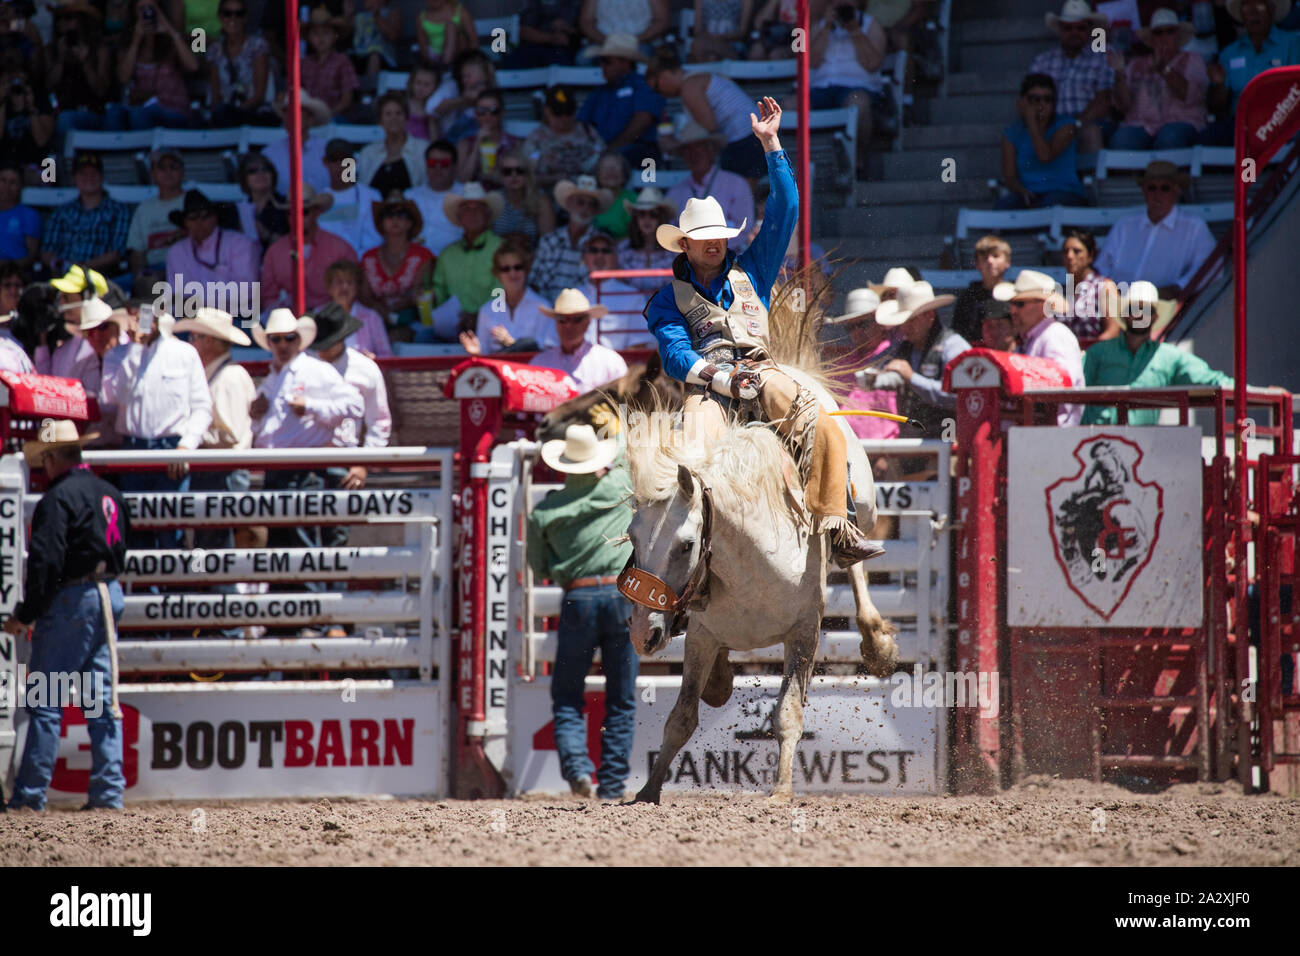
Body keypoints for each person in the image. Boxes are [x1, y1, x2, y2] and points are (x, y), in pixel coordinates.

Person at [643, 95, 880, 567]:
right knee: (690, 455)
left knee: (819, 422)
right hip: (709, 389)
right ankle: (676, 562)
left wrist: (772, 145)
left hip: (763, 371)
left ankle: (838, 524)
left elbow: (786, 209)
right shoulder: (667, 299)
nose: (714, 243)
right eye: (704, 238)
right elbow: (674, 354)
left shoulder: (753, 269)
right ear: (685, 244)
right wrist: (721, 379)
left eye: (720, 236)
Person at [4, 420, 129, 812]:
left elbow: (45, 563)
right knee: (101, 700)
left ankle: (30, 795)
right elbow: (122, 550)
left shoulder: (57, 500)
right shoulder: (109, 493)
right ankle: (108, 793)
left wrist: (26, 614)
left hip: (73, 601)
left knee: (46, 700)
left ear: (54, 458)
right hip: (108, 593)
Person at [526, 424, 638, 801]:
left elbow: (539, 570)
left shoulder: (545, 512)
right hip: (623, 597)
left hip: (578, 599)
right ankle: (611, 786)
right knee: (621, 696)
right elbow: (627, 444)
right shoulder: (620, 484)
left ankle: (576, 769)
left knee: (568, 694)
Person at [250, 309, 363, 556]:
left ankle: (309, 591)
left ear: (299, 340)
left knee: (301, 546)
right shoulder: (273, 377)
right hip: (279, 471)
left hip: (303, 470)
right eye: (276, 339)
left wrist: (311, 406)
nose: (283, 345)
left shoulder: (314, 370)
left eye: (289, 338)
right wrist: (255, 416)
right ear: (268, 342)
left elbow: (355, 404)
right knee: (282, 547)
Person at [100, 304, 213, 549]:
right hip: (133, 449)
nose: (145, 322)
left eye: (150, 315)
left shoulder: (185, 353)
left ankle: (173, 587)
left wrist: (186, 446)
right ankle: (145, 588)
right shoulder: (117, 356)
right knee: (136, 530)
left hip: (171, 449)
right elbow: (112, 398)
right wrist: (135, 350)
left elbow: (202, 406)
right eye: (139, 316)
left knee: (172, 529)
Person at [1082, 280, 1234, 425]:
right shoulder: (1097, 353)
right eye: (1134, 308)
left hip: (1143, 446)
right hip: (1097, 442)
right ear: (1124, 314)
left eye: (1146, 310)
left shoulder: (1169, 357)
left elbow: (1209, 378)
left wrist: (1242, 390)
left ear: (1155, 317)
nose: (1139, 314)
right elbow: (1074, 385)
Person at [171, 307, 255, 555]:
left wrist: (188, 436)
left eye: (195, 336)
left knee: (216, 545)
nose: (191, 342)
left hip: (224, 474)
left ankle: (222, 591)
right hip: (218, 472)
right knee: (209, 542)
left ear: (210, 340)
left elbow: (230, 436)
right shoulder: (219, 375)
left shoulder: (229, 377)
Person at [1092, 160, 1216, 299]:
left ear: (1177, 190)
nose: (1157, 194)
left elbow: (1209, 266)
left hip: (1162, 306)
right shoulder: (1125, 225)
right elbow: (1102, 267)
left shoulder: (1194, 227)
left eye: (1165, 188)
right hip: (1117, 302)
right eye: (1152, 188)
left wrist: (1177, 288)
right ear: (1143, 191)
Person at [873, 281, 968, 446]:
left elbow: (959, 397)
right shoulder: (905, 348)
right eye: (903, 322)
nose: (904, 328)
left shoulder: (953, 346)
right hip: (912, 442)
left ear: (929, 316)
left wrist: (912, 378)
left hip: (948, 441)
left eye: (911, 320)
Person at [647, 50, 767, 179]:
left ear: (665, 74)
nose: (658, 93)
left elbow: (709, 127)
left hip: (745, 137)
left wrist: (676, 143)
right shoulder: (695, 79)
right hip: (750, 135)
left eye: (656, 86)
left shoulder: (689, 86)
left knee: (742, 192)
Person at [1107, 8, 1208, 151]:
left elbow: (1191, 96)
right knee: (1120, 141)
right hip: (1140, 126)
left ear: (1177, 35)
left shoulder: (1193, 59)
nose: (1164, 36)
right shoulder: (1136, 64)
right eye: (1158, 32)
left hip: (1180, 122)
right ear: (1152, 37)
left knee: (1169, 139)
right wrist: (1118, 75)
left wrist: (1163, 69)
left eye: (1169, 31)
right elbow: (1123, 106)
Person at [810, 1, 890, 180]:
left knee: (858, 104)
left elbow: (873, 64)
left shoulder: (871, 24)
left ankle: (857, 162)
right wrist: (826, 28)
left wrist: (854, 31)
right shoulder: (819, 26)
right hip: (821, 88)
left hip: (856, 87)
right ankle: (799, 168)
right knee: (789, 106)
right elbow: (810, 62)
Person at [1201, 0, 1300, 145]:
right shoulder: (1229, 53)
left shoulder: (1293, 43)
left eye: (1260, 5)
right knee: (1208, 137)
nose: (1253, 13)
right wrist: (1219, 85)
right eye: (1247, 7)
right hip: (1240, 125)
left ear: (1272, 9)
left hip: (1283, 121)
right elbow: (1219, 109)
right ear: (1241, 14)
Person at [993, 268, 1083, 425]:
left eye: (1019, 304)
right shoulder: (1035, 337)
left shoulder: (1055, 336)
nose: (1012, 311)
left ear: (1043, 305)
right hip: (1037, 433)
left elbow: (1061, 386)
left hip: (1050, 436)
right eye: (1012, 304)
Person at [1029, 1, 1114, 153]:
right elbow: (1030, 98)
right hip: (1052, 124)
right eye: (1068, 28)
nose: (1074, 32)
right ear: (1060, 29)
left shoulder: (1103, 55)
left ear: (1089, 30)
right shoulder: (1042, 61)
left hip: (1089, 123)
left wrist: (1074, 124)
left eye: (1080, 28)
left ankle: (1091, 176)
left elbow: (1104, 101)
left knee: (1091, 132)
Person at [261, 186, 358, 313]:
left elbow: (352, 293)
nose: (296, 218)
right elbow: (269, 297)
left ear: (317, 212)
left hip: (332, 322)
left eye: (304, 212)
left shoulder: (340, 249)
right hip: (289, 324)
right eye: (290, 213)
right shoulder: (274, 253)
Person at [821, 287, 900, 443]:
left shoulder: (892, 357)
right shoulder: (843, 364)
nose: (856, 332)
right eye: (850, 327)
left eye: (863, 324)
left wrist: (885, 454)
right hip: (847, 447)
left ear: (878, 322)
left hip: (884, 449)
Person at [424, 183, 503, 341]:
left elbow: (501, 292)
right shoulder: (447, 255)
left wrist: (481, 317)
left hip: (494, 329)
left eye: (478, 208)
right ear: (459, 217)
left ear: (487, 215)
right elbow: (440, 295)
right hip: (452, 330)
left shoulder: (502, 249)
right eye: (467, 208)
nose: (472, 214)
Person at [997, 73, 1087, 209]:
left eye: (1047, 99)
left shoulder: (1067, 126)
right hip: (1029, 193)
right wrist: (1023, 191)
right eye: (1034, 99)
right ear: (1022, 102)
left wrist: (1032, 123)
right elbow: (1009, 177)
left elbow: (1045, 156)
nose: (1042, 105)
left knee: (1047, 207)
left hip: (1063, 192)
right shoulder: (1012, 133)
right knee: (1003, 207)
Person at [577, 34, 666, 168]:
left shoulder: (644, 85)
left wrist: (610, 151)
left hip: (642, 153)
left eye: (607, 61)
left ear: (625, 62)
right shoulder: (599, 92)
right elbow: (581, 123)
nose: (602, 66)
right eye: (601, 61)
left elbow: (642, 122)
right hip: (605, 151)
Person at [664, 121, 757, 251]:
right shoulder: (675, 192)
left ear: (711, 150)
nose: (693, 154)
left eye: (698, 147)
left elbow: (744, 230)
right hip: (688, 261)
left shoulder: (737, 184)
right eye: (687, 149)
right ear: (683, 156)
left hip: (729, 258)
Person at [40, 153, 131, 281]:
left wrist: (80, 269)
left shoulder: (118, 210)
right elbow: (47, 252)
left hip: (101, 278)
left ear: (102, 176)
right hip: (62, 277)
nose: (89, 177)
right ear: (74, 178)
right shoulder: (61, 212)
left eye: (93, 173)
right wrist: (61, 266)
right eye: (83, 173)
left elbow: (116, 254)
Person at [112, 0, 197, 130]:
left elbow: (193, 66)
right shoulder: (128, 43)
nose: (147, 13)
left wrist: (170, 30)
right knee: (114, 113)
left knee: (138, 114)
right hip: (141, 107)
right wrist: (136, 39)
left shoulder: (171, 41)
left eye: (150, 8)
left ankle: (145, 149)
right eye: (142, 9)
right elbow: (123, 78)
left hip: (173, 110)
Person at [460, 239, 553, 355]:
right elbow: (484, 354)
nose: (512, 273)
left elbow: (546, 352)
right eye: (505, 269)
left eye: (518, 267)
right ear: (497, 274)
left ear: (526, 270)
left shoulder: (543, 308)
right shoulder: (487, 310)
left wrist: (512, 344)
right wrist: (476, 353)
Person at [530, 176, 611, 305]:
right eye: (581, 202)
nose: (585, 208)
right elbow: (533, 284)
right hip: (546, 313)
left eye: (591, 204)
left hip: (584, 315)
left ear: (595, 210)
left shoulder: (601, 246)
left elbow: (603, 286)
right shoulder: (549, 241)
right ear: (569, 205)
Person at [362, 192, 436, 331]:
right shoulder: (368, 258)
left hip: (414, 323)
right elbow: (365, 297)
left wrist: (395, 309)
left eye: (402, 215)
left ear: (410, 222)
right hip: (376, 322)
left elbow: (420, 292)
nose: (395, 219)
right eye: (389, 215)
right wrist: (380, 310)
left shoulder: (423, 255)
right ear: (381, 222)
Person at [163, 189, 263, 290]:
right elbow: (175, 295)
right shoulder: (176, 252)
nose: (199, 222)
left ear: (215, 218)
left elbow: (248, 290)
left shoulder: (241, 244)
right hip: (190, 305)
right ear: (185, 223)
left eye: (205, 216)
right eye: (192, 217)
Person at [531, 288, 628, 391]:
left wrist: (622, 408)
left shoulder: (611, 363)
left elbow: (624, 402)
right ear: (555, 323)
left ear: (588, 322)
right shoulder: (539, 364)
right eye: (562, 319)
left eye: (576, 319)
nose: (568, 325)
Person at [522, 84, 605, 192]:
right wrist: (553, 179)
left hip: (588, 193)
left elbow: (605, 162)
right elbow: (527, 177)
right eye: (558, 112)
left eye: (568, 111)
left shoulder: (589, 132)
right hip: (552, 195)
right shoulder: (536, 139)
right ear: (547, 110)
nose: (564, 118)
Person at [577, 232, 653, 349]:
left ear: (615, 258)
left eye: (606, 251)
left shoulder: (632, 297)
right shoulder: (574, 295)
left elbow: (640, 344)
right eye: (593, 250)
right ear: (584, 258)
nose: (599, 255)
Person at [207, 0, 276, 127]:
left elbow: (259, 96)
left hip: (254, 112)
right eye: (227, 13)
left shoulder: (258, 46)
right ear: (220, 16)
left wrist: (235, 111)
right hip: (225, 114)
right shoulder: (214, 50)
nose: (233, 18)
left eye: (239, 14)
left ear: (245, 18)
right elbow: (215, 96)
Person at [127, 149, 186, 290]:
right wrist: (140, 277)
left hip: (186, 270)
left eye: (173, 167)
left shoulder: (192, 201)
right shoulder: (144, 208)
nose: (168, 172)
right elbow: (137, 251)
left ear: (183, 171)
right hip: (151, 271)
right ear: (152, 173)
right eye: (162, 167)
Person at [318, 139, 384, 258]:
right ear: (325, 162)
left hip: (360, 265)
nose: (340, 165)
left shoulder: (372, 196)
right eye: (334, 160)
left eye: (345, 160)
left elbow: (375, 239)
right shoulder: (317, 199)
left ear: (354, 162)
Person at [357, 92, 430, 195]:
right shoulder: (368, 152)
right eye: (388, 114)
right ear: (380, 121)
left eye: (399, 113)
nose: (394, 118)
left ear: (406, 118)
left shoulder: (423, 149)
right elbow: (362, 189)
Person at [262, 92, 333, 194]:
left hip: (327, 208)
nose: (290, 117)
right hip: (284, 208)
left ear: (310, 119)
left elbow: (345, 185)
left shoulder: (328, 149)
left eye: (296, 112)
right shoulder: (269, 153)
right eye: (287, 113)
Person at [1060, 228, 1120, 341]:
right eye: (1065, 251)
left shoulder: (1104, 287)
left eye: (1076, 251)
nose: (1069, 256)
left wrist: (1089, 352)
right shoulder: (1063, 290)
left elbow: (1113, 331)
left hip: (1094, 354)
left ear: (1091, 255)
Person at [407, 139, 466, 255]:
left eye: (444, 164)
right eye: (432, 163)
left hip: (454, 260)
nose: (438, 169)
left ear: (454, 166)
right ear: (426, 165)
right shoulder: (409, 196)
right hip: (416, 260)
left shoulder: (466, 196)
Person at [455, 88, 521, 189]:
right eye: (481, 111)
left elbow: (522, 181)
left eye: (493, 110)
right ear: (475, 114)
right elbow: (462, 179)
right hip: (474, 200)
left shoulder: (514, 143)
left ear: (502, 113)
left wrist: (497, 177)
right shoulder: (465, 143)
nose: (487, 115)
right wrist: (477, 145)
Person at [325, 259, 392, 357]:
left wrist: (373, 359)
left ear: (357, 288)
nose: (344, 287)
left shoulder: (372, 317)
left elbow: (387, 355)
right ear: (329, 288)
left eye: (349, 282)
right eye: (339, 282)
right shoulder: (318, 317)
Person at [951, 234, 1011, 344]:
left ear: (1007, 262)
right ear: (977, 264)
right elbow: (958, 333)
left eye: (996, 256)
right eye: (984, 258)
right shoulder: (968, 297)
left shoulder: (1015, 295)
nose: (990, 261)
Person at [617, 187, 678, 292]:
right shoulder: (623, 248)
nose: (647, 219)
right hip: (631, 305)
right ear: (636, 219)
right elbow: (620, 284)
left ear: (662, 218)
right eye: (641, 214)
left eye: (653, 214)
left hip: (665, 305)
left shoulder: (674, 250)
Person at [302, 7, 358, 118]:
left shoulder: (342, 61)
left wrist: (328, 115)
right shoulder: (304, 63)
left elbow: (346, 100)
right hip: (308, 118)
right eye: (315, 33)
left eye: (326, 33)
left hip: (335, 116)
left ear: (335, 36)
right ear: (309, 37)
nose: (320, 38)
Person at [494, 149, 556, 247]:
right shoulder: (494, 199)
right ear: (501, 176)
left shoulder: (541, 201)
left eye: (519, 171)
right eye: (507, 172)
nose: (514, 175)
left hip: (533, 257)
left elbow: (548, 242)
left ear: (527, 174)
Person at [234, 152, 290, 253]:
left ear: (272, 174)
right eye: (253, 171)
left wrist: (265, 233)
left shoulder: (286, 204)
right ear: (244, 178)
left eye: (266, 169)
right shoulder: (240, 209)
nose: (260, 174)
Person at [515, 0, 586, 68]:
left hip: (566, 50)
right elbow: (523, 31)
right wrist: (551, 38)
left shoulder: (576, 3)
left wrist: (568, 29)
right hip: (532, 46)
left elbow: (585, 30)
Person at [351, 0, 402, 90]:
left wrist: (377, 17)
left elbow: (393, 36)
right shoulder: (358, 16)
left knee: (374, 55)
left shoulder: (392, 13)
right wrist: (348, 16)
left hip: (383, 57)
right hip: (359, 54)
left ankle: (370, 91)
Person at [0, 160, 41, 270]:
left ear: (21, 187)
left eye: (13, 182)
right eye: (3, 180)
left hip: (14, 276)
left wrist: (7, 269)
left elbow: (31, 255)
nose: (6, 187)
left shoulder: (29, 215)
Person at [416, 0, 476, 69]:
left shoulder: (460, 11)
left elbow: (473, 41)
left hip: (460, 55)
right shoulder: (422, 17)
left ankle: (446, 65)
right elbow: (422, 45)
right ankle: (440, 67)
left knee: (451, 26)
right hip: (435, 57)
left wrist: (472, 62)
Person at [689, 0, 754, 61]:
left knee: (700, 47)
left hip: (733, 46)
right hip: (706, 42)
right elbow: (697, 30)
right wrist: (711, 38)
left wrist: (721, 37)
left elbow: (742, 32)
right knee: (711, 56)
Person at [591, 151, 636, 239]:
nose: (610, 172)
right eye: (605, 168)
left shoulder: (634, 199)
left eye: (615, 167)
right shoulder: (588, 199)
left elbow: (635, 235)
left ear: (624, 174)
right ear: (597, 174)